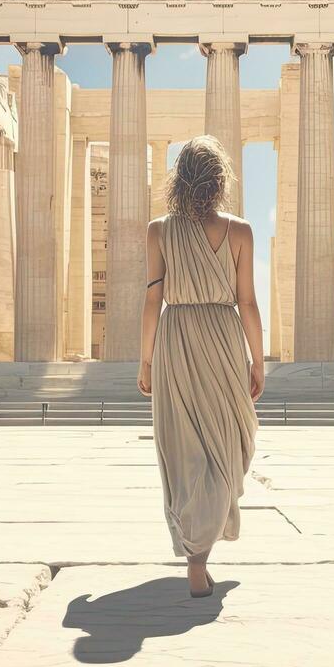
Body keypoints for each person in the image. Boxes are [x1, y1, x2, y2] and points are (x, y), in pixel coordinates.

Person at [136, 135, 264, 598]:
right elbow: (247, 302)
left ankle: (196, 554)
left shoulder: (158, 230)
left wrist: (146, 359)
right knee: (231, 446)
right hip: (224, 337)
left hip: (176, 338)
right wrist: (257, 360)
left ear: (180, 180)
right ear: (219, 179)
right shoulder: (240, 231)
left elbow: (153, 299)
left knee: (187, 450)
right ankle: (198, 559)